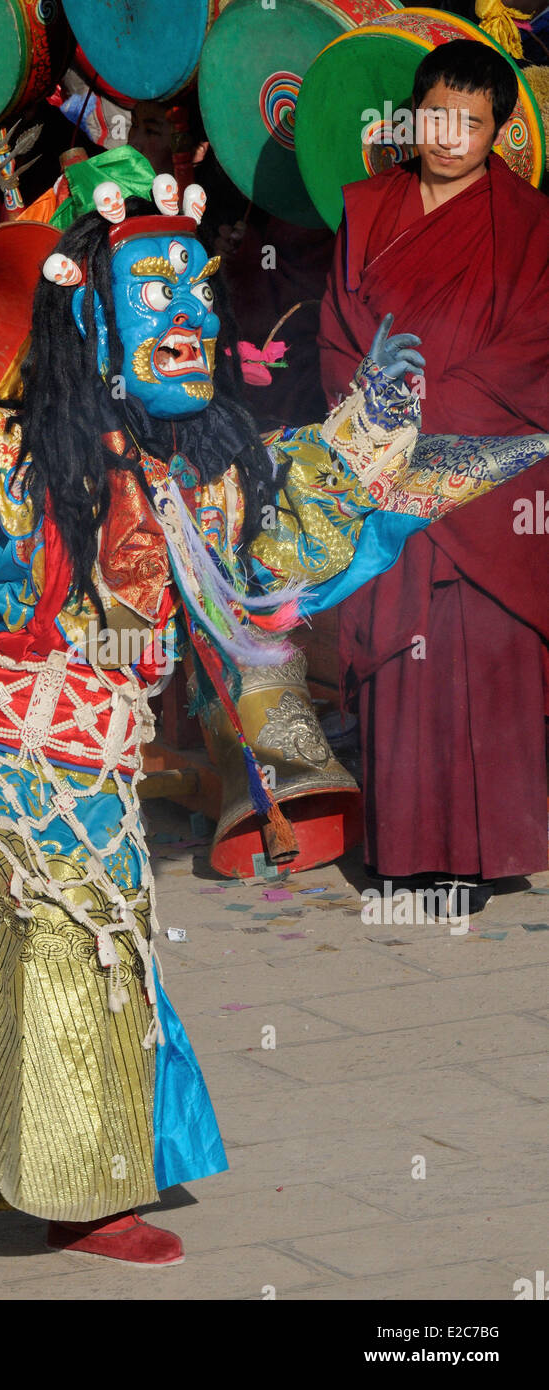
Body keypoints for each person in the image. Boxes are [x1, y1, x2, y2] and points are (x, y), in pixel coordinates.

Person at [0, 147, 546, 1265]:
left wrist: (371, 429)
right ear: (98, 332)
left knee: (90, 982)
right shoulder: (15, 464)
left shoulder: (202, 476)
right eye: (156, 298)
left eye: (201, 297)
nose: (190, 318)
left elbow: (295, 531)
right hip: (6, 757)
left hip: (102, 778)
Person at [318, 39, 549, 913]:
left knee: (480, 658)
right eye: (438, 117)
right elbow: (339, 336)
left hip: (486, 484)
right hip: (387, 470)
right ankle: (406, 851)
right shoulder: (370, 210)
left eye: (475, 123)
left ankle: (480, 856)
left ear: (500, 131)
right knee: (402, 658)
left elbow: (533, 353)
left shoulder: (529, 224)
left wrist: (430, 408)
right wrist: (378, 410)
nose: (452, 138)